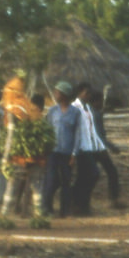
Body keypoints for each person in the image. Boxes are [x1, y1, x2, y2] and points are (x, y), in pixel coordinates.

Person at [0, 75, 50, 221]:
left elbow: (11, 134)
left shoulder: (13, 109)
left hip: (19, 155)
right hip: (36, 153)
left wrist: (5, 157)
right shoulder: (30, 106)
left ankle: (3, 217)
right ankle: (40, 217)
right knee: (36, 185)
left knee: (12, 184)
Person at [41, 81, 80, 218]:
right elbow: (46, 130)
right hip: (53, 151)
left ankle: (65, 211)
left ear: (64, 95)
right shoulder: (52, 111)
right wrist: (44, 150)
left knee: (66, 181)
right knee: (50, 180)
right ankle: (47, 209)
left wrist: (74, 154)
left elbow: (77, 134)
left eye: (58, 92)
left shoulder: (75, 113)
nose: (55, 94)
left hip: (67, 152)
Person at [71, 81, 108, 216]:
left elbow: (92, 130)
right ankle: (78, 201)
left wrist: (100, 146)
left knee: (84, 177)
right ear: (80, 92)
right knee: (93, 174)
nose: (88, 96)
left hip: (89, 147)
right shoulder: (74, 107)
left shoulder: (88, 109)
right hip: (80, 148)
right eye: (86, 93)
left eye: (89, 93)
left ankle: (81, 204)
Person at [88, 89, 124, 209]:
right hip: (98, 148)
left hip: (92, 147)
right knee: (110, 172)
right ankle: (113, 200)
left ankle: (83, 200)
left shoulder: (92, 112)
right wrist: (111, 146)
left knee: (91, 174)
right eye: (101, 101)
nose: (102, 103)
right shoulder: (95, 114)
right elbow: (98, 134)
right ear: (96, 101)